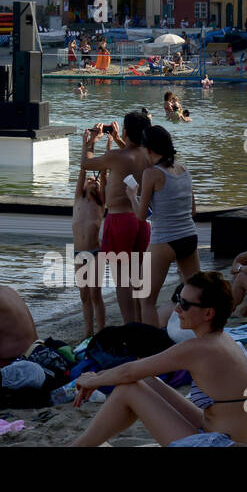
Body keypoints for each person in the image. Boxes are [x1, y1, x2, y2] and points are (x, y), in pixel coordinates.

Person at [70, 272, 247, 447]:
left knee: (129, 389)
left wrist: (92, 380)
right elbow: (138, 370)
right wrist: (98, 376)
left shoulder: (200, 349)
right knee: (145, 380)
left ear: (208, 313)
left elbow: (128, 372)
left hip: (221, 443)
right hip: (223, 434)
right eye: (178, 300)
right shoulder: (221, 340)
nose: (177, 309)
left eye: (185, 304)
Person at [80, 111, 152, 324]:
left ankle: (130, 327)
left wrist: (90, 143)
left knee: (122, 279)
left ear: (127, 131)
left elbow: (87, 164)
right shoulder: (148, 156)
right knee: (139, 278)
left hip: (119, 220)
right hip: (142, 220)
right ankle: (143, 325)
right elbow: (130, 155)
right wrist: (120, 140)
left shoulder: (115, 157)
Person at [136, 125, 200, 328]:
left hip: (164, 240)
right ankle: (201, 335)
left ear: (149, 149)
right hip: (189, 236)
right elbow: (193, 210)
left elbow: (141, 216)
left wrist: (131, 196)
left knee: (146, 299)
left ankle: (151, 349)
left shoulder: (151, 173)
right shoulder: (184, 170)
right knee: (196, 294)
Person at [73, 131, 109, 339]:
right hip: (79, 253)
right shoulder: (79, 200)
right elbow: (82, 168)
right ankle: (88, 333)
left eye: (93, 181)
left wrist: (108, 145)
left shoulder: (99, 204)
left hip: (95, 252)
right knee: (84, 296)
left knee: (96, 294)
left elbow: (103, 171)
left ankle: (101, 331)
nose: (90, 180)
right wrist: (85, 145)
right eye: (88, 180)